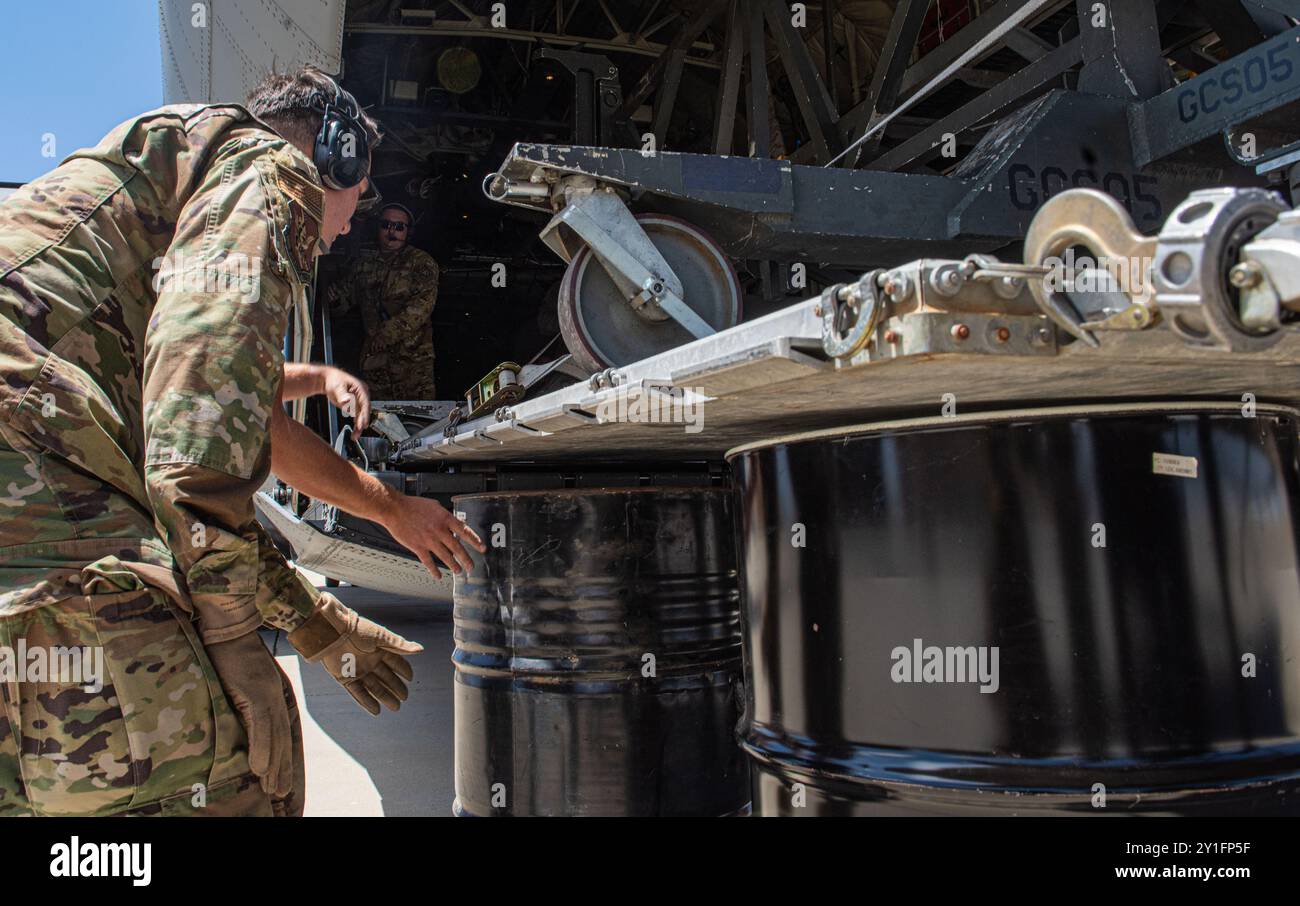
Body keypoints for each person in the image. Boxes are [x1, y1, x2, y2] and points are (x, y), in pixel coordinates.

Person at [0, 67, 483, 817]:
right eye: (361, 195)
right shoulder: (270, 168)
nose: (354, 222)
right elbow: (201, 418)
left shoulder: (159, 181)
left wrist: (314, 621)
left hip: (29, 545)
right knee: (242, 775)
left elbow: (197, 398)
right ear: (337, 153)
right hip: (45, 531)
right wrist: (235, 631)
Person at [330, 202, 440, 399]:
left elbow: (421, 307)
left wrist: (384, 335)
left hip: (412, 363)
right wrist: (333, 299)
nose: (392, 231)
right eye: (386, 225)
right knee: (378, 422)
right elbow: (343, 303)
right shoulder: (363, 266)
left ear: (408, 232)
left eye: (399, 227)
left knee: (419, 421)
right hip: (376, 365)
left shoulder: (421, 263)